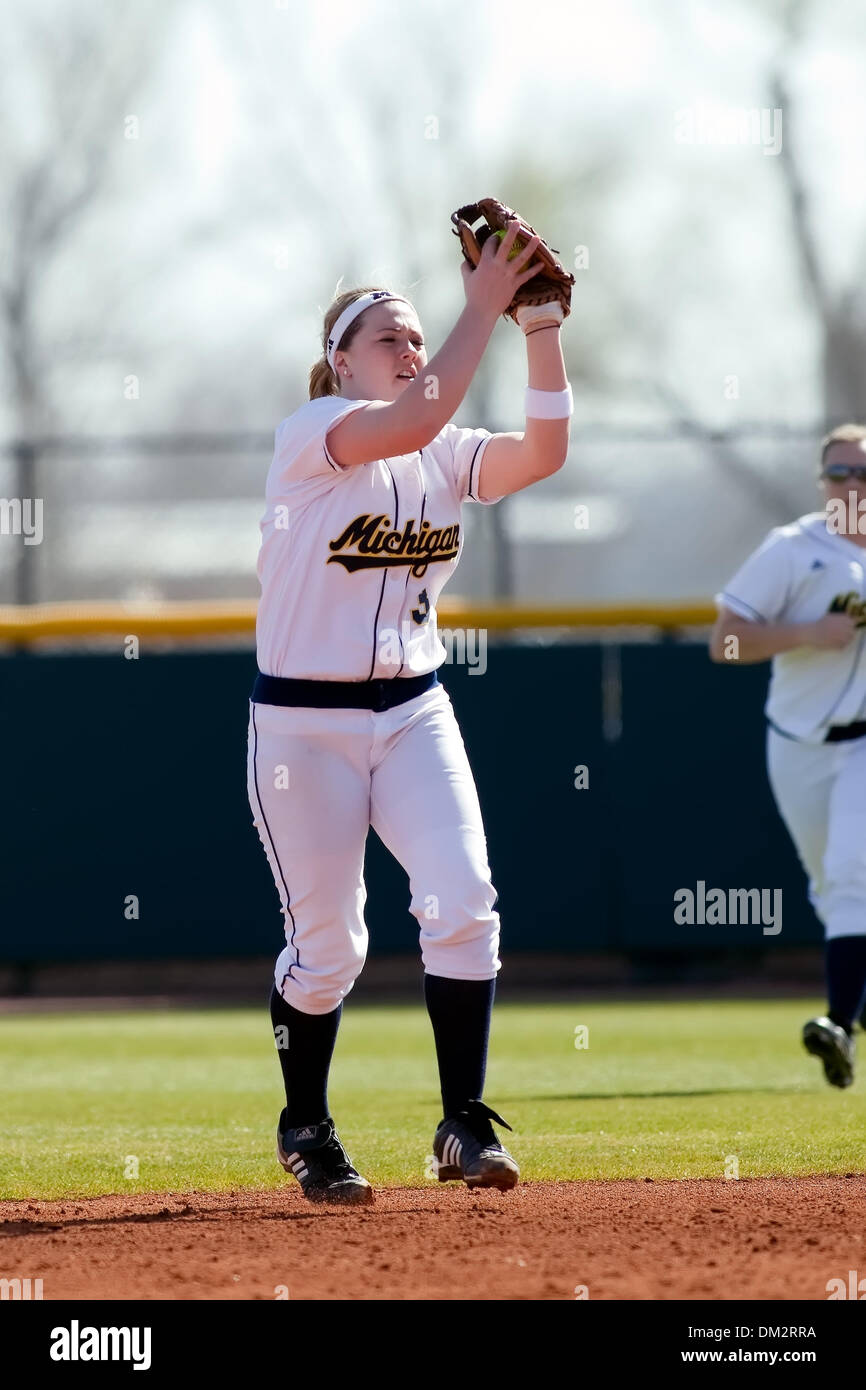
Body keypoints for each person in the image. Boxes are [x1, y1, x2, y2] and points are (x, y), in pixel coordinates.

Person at [246, 221, 572, 1202]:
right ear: (340, 360)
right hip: (304, 727)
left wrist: (539, 326)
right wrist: (481, 304)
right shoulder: (311, 439)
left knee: (463, 900)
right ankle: (305, 1123)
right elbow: (414, 421)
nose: (411, 349)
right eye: (389, 337)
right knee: (330, 947)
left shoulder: (440, 448)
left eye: (418, 336)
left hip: (414, 709)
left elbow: (543, 453)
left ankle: (463, 1123)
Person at [710, 423, 866, 1087]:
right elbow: (725, 645)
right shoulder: (791, 548)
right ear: (821, 481)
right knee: (832, 886)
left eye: (862, 473)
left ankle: (836, 1019)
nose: (851, 484)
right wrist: (809, 632)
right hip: (797, 744)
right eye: (838, 473)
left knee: (852, 871)